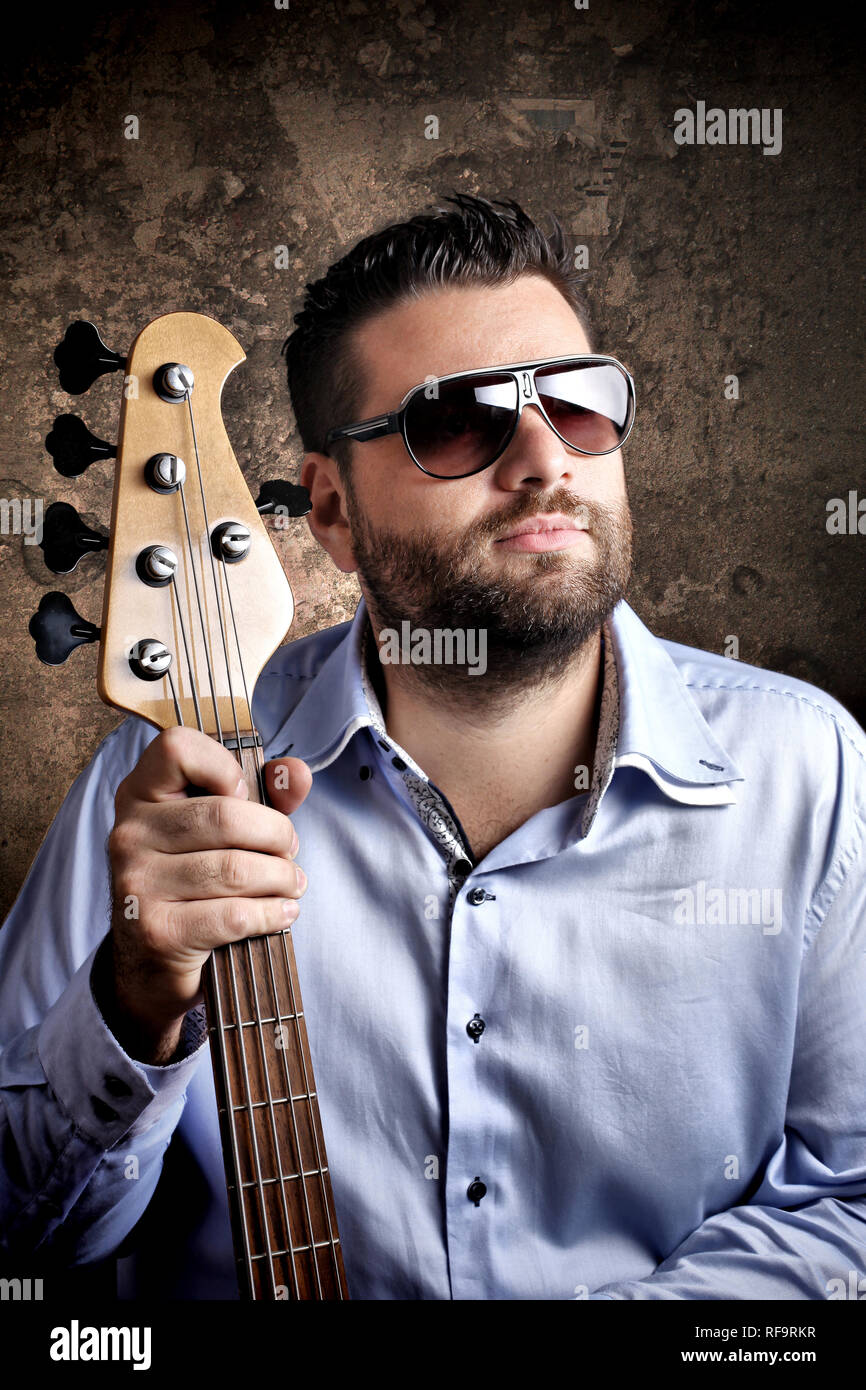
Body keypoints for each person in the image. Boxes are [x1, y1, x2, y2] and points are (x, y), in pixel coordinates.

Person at [1, 193, 865, 1301]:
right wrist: (130, 1004)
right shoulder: (170, 777)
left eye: (580, 405)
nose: (544, 458)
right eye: (455, 422)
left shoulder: (811, 776)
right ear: (330, 512)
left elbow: (847, 1200)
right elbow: (23, 1238)